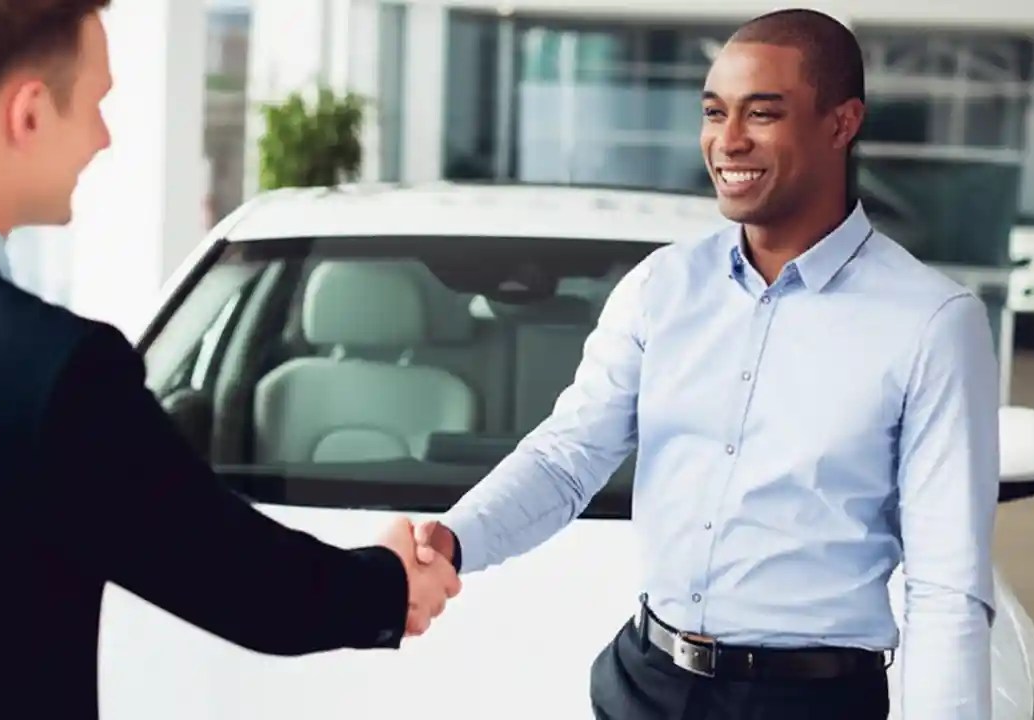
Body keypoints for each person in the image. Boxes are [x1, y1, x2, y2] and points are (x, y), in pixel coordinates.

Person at [0, 2, 460, 719]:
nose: (103, 138)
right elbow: (246, 582)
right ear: (29, 113)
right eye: (96, 103)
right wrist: (387, 582)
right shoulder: (50, 371)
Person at [414, 9, 999, 720]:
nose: (727, 141)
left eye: (762, 113)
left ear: (841, 123)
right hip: (644, 682)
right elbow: (568, 458)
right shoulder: (663, 287)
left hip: (808, 703)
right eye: (715, 112)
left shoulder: (932, 322)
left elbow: (946, 588)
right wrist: (454, 536)